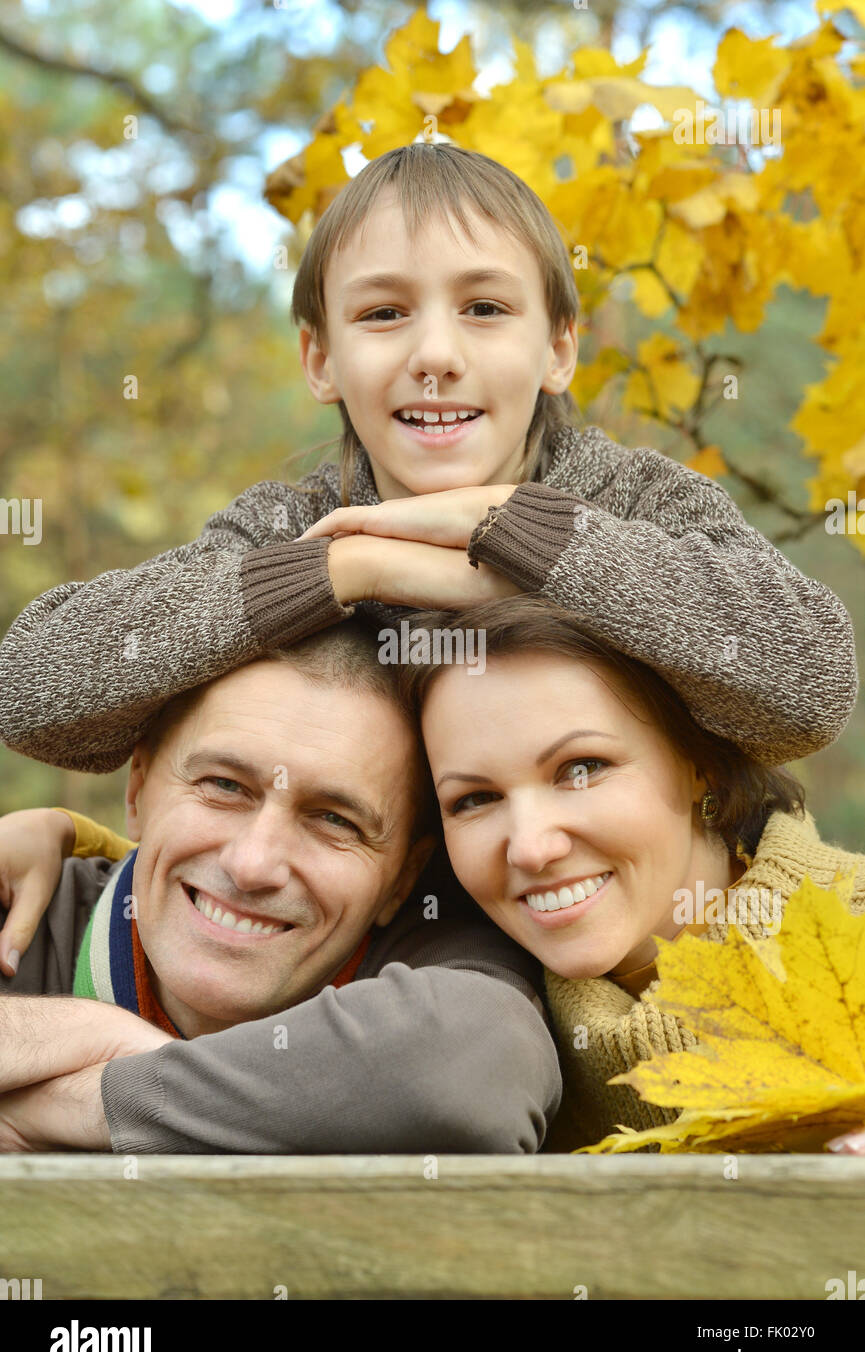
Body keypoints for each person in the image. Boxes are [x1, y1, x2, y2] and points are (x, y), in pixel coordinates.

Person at [0, 141, 857, 988]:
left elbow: (808, 684)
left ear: (558, 348)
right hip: (440, 997)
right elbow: (38, 690)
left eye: (485, 308)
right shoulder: (294, 527)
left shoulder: (629, 501)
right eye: (383, 314)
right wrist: (338, 576)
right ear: (319, 359)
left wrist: (513, 534)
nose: (435, 355)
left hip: (726, 976)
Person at [0, 620, 560, 1155]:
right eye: (223, 785)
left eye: (335, 820)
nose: (252, 865)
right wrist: (81, 1027)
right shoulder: (17, 912)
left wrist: (90, 1097)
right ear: (137, 791)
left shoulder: (432, 965)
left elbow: (485, 1061)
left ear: (403, 880)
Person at [398, 595, 865, 1153]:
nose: (530, 848)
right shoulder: (489, 1039)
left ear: (702, 763)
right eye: (474, 799)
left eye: (582, 768)